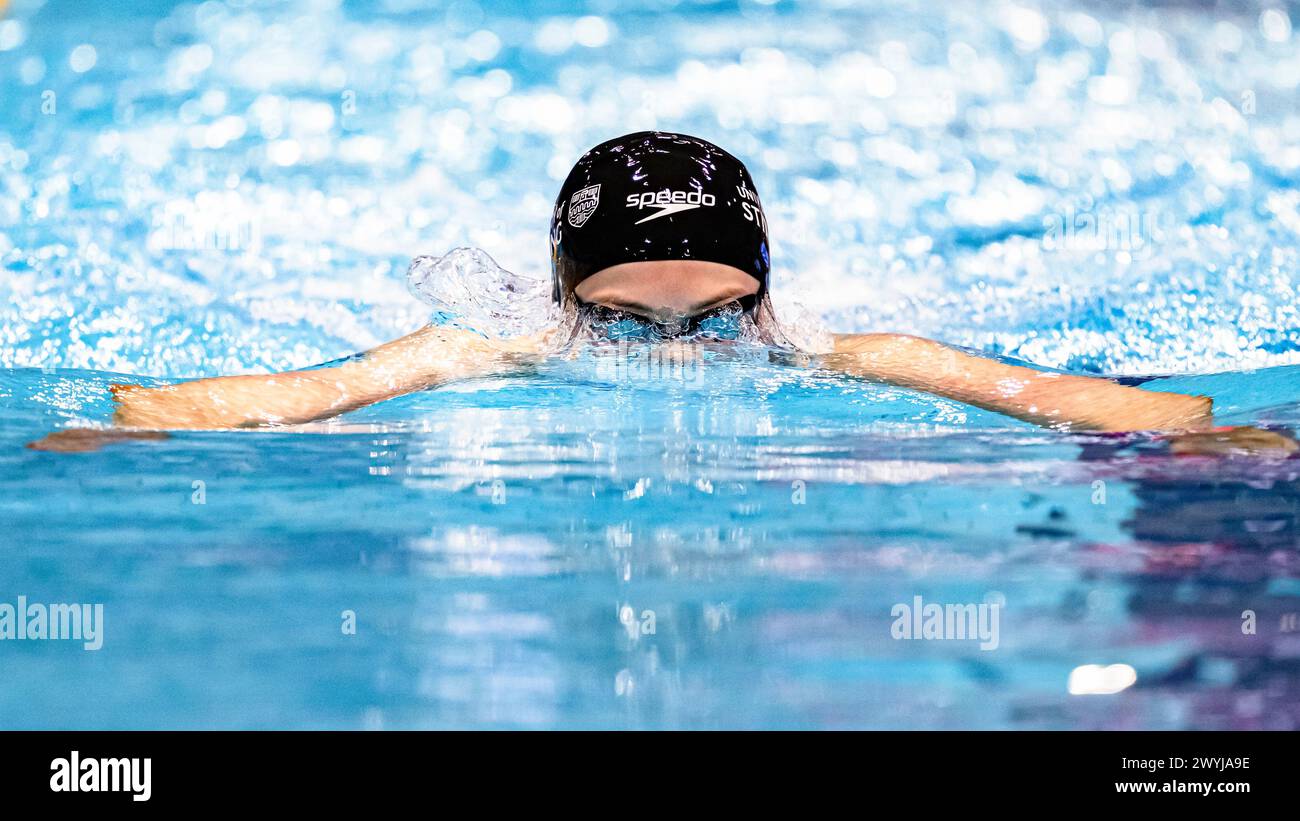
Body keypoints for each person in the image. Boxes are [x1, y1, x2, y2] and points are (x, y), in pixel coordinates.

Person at [29, 131, 1297, 454]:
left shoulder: (826, 349)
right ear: (564, 297)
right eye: (628, 323)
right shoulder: (495, 345)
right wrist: (114, 429)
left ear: (764, 299)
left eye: (716, 319)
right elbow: (295, 393)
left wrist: (1213, 437)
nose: (680, 353)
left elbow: (1033, 391)